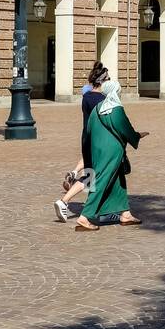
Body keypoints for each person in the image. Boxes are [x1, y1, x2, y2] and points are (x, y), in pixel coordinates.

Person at [75, 80, 148, 232]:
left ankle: (125, 214)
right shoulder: (116, 109)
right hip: (112, 150)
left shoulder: (97, 109)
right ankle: (85, 216)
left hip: (98, 150)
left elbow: (88, 130)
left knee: (118, 179)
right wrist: (136, 136)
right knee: (102, 180)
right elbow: (125, 128)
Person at [54, 62, 108, 222]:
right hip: (98, 141)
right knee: (96, 176)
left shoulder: (86, 97)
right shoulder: (101, 100)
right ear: (103, 81)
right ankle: (64, 201)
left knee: (92, 176)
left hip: (86, 138)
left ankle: (94, 208)